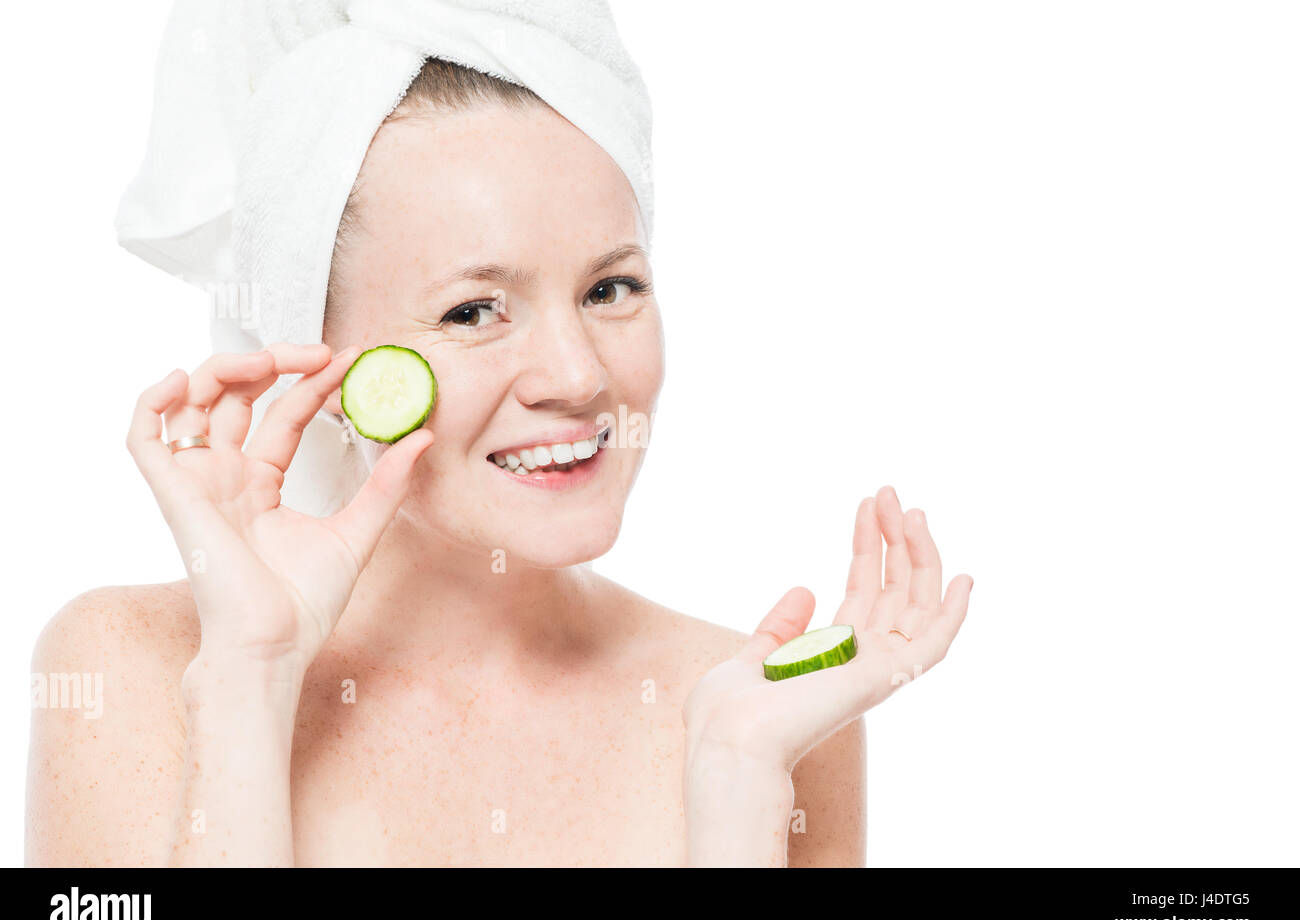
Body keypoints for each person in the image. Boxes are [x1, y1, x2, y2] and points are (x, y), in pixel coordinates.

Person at [26, 12, 972, 868]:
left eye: (611, 289)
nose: (576, 376)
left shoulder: (771, 712)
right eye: (474, 310)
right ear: (323, 371)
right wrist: (249, 680)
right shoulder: (127, 670)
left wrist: (734, 791)